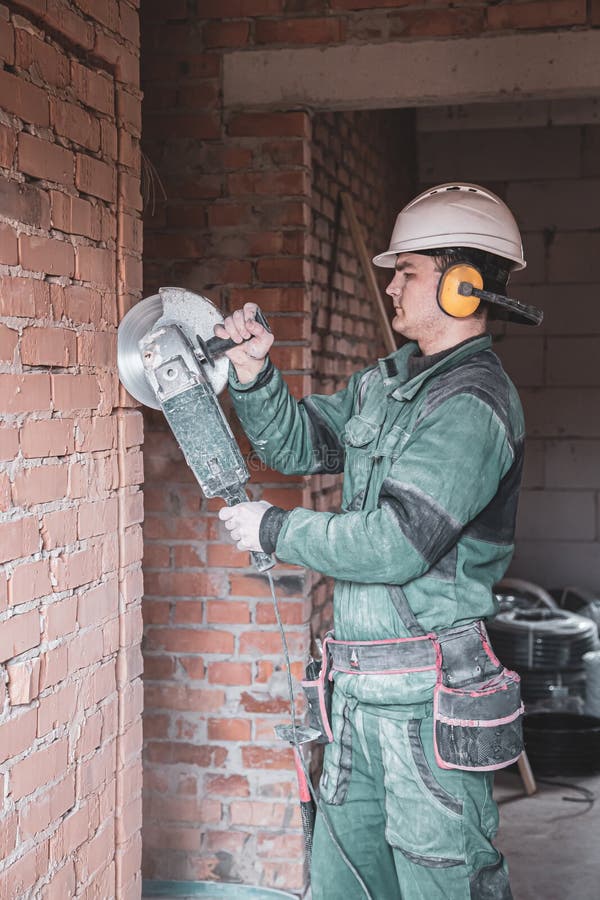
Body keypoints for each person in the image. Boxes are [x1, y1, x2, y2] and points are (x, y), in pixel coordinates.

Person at [216, 183, 542, 900]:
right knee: (346, 883)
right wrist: (252, 372)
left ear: (464, 287)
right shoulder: (389, 383)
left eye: (409, 271)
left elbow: (397, 543)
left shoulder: (473, 405)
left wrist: (278, 529)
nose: (392, 285)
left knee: (439, 882)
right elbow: (298, 443)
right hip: (358, 694)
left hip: (425, 702)